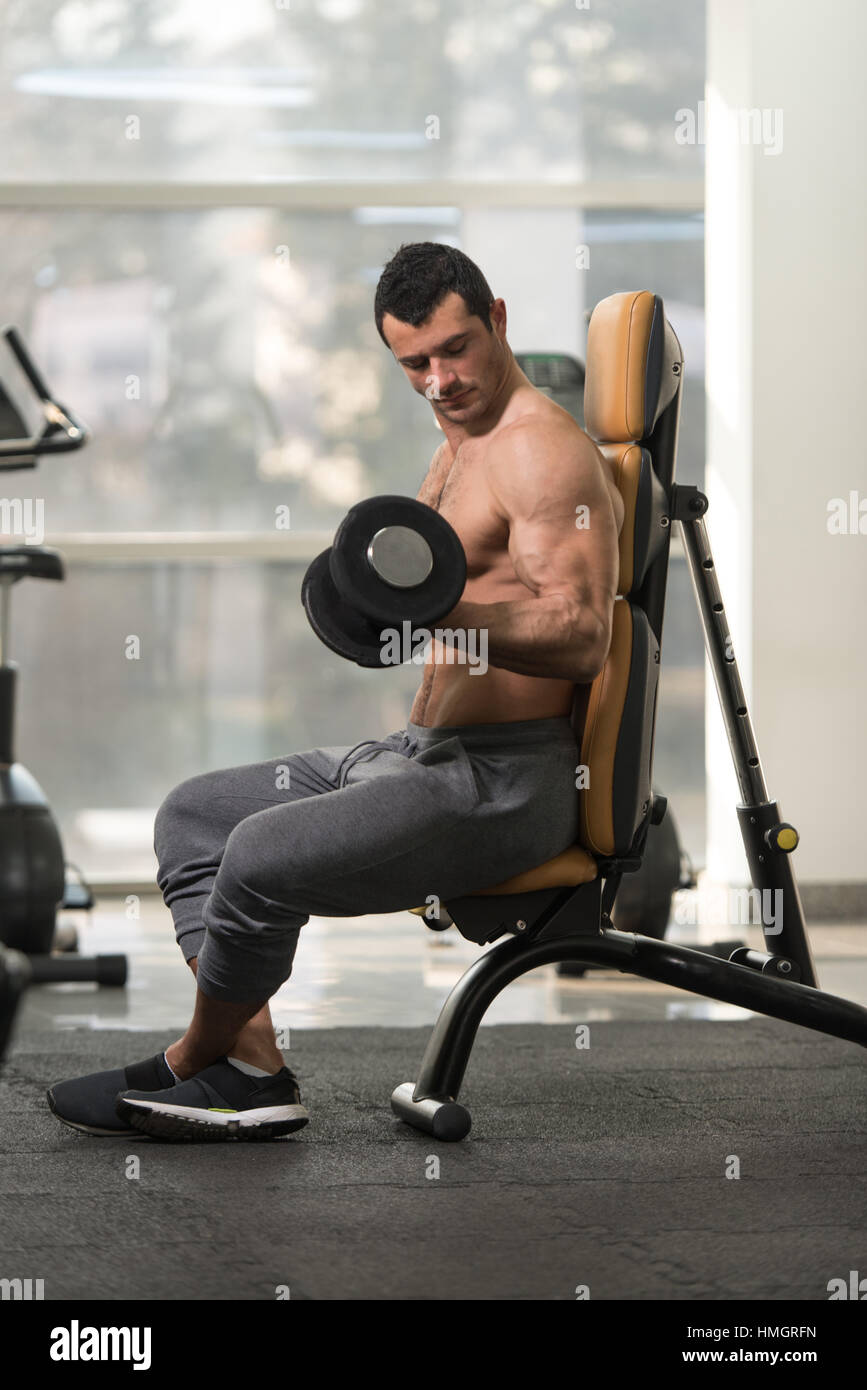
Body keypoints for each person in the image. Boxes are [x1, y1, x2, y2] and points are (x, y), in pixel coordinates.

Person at [47, 242, 623, 1142]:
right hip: (418, 756)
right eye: (414, 364)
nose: (439, 379)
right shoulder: (459, 445)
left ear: (498, 319)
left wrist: (437, 606)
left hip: (503, 786)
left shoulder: (543, 454)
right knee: (196, 815)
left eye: (456, 349)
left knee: (262, 857)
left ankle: (192, 1060)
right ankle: (252, 1069)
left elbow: (583, 635)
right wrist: (399, 611)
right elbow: (439, 615)